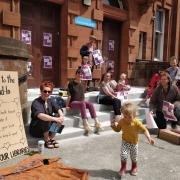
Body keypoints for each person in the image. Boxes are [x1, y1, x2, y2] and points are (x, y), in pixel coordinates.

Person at [111, 102, 154, 177]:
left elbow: (144, 130)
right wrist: (113, 126)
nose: (127, 119)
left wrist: (149, 138)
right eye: (125, 116)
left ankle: (134, 167)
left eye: (130, 117)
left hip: (134, 143)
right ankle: (123, 168)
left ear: (134, 115)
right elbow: (118, 129)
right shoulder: (121, 121)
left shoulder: (137, 123)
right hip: (125, 142)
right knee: (123, 155)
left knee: (134, 156)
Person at [66, 68, 102, 135]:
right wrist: (67, 105)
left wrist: (84, 104)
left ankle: (96, 122)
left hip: (80, 103)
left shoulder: (83, 84)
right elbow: (69, 96)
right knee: (83, 103)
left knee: (90, 104)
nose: (80, 75)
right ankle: (85, 123)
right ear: (75, 75)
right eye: (79, 74)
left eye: (82, 74)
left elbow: (83, 96)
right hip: (73, 103)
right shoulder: (71, 84)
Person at [29, 81, 64, 149]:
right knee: (45, 117)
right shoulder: (36, 102)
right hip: (36, 129)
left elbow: (58, 108)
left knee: (58, 115)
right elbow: (40, 115)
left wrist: (61, 117)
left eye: (49, 91)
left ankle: (51, 138)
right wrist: (55, 119)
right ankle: (46, 139)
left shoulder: (50, 100)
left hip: (47, 128)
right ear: (41, 91)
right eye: (45, 91)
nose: (47, 93)